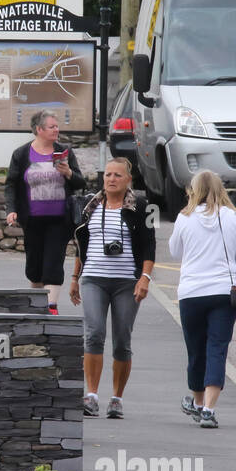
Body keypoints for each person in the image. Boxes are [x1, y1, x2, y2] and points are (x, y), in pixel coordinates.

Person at [71, 156, 156, 419]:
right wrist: (75, 278)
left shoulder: (144, 206)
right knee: (94, 333)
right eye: (108, 175)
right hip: (93, 279)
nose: (111, 179)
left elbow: (149, 246)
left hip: (126, 283)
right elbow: (80, 244)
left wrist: (145, 278)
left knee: (122, 340)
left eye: (117, 175)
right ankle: (92, 395)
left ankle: (116, 399)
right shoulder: (90, 205)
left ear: (129, 180)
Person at [169, 171, 236, 429]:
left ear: (193, 190)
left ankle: (198, 400)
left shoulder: (184, 217)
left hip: (191, 292)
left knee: (196, 349)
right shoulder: (232, 216)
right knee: (217, 348)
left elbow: (174, 251)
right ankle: (209, 409)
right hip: (223, 292)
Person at [4, 110, 86, 316]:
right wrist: (11, 210)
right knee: (34, 265)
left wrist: (68, 173)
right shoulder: (22, 154)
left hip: (59, 220)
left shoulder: (65, 152)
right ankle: (36, 305)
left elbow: (80, 183)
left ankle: (51, 307)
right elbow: (11, 185)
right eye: (52, 127)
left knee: (53, 262)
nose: (56, 130)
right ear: (39, 130)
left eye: (57, 126)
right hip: (32, 220)